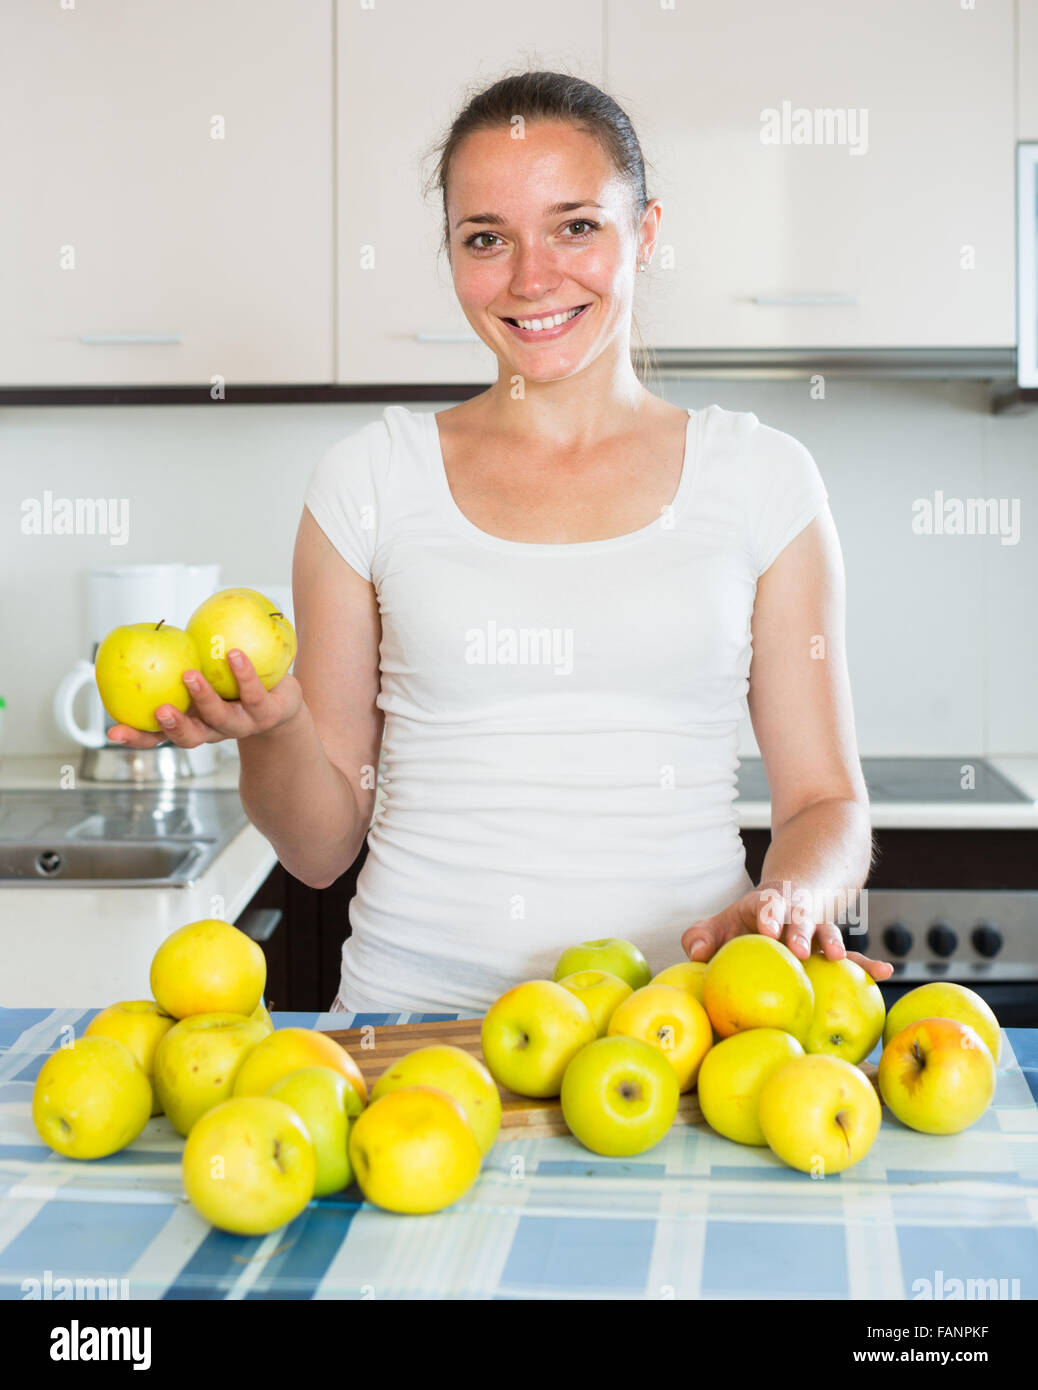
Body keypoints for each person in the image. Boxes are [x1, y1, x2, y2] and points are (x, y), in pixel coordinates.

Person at [109, 70, 893, 1013]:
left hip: (679, 1029)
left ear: (643, 233)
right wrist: (273, 732)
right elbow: (319, 851)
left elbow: (826, 806)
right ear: (451, 257)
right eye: (488, 238)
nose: (531, 277)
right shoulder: (368, 481)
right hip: (411, 1035)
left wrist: (791, 899)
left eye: (576, 225)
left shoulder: (764, 479)